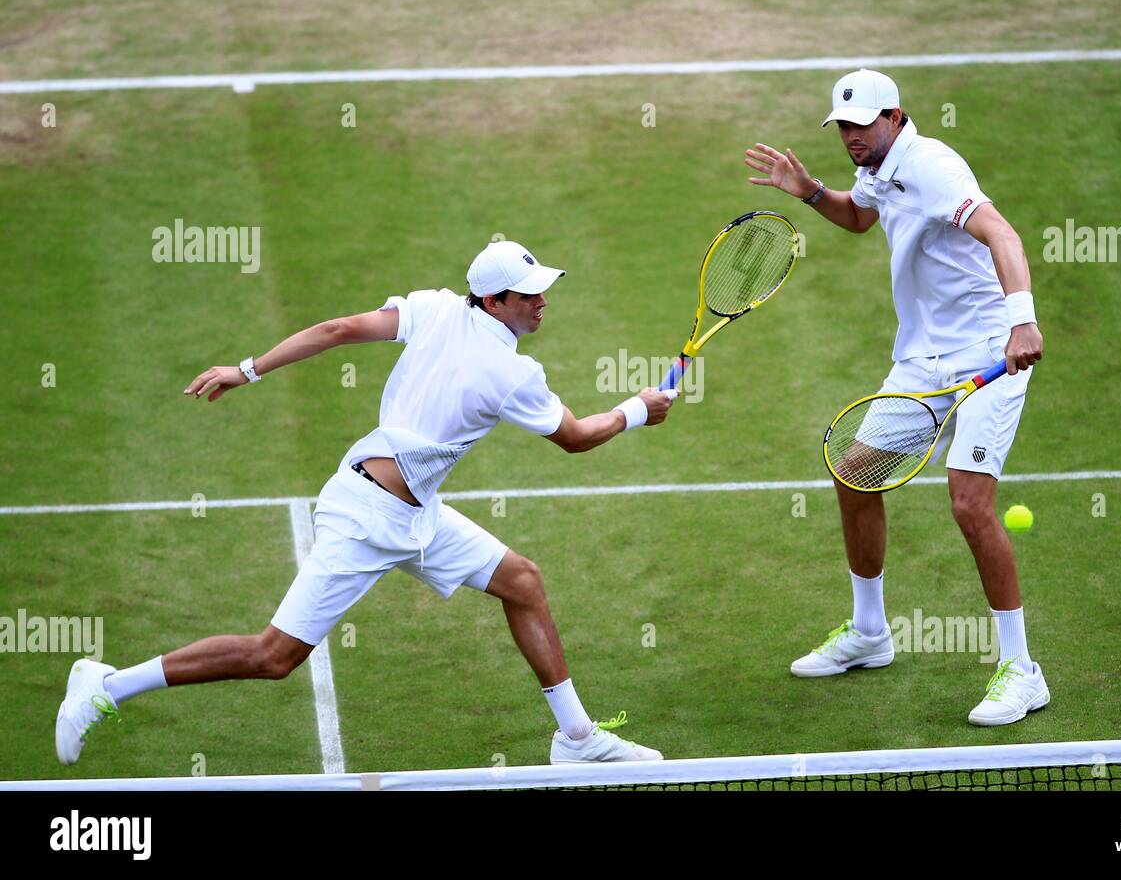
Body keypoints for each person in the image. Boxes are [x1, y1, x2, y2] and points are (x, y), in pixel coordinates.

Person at [55, 240, 674, 765]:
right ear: (493, 301)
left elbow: (337, 330)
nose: (542, 302)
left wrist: (248, 369)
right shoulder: (512, 376)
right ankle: (106, 684)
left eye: (542, 290)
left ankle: (577, 739)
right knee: (273, 657)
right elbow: (575, 438)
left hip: (415, 514)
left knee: (523, 582)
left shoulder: (433, 308)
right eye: (528, 294)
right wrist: (636, 411)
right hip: (364, 520)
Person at [744, 69, 1048, 725]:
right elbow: (860, 216)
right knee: (855, 476)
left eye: (862, 125)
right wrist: (812, 193)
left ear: (896, 117)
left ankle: (1022, 671)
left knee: (969, 502)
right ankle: (870, 634)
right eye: (843, 127)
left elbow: (1003, 234)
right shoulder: (878, 168)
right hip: (922, 360)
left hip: (992, 351)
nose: (851, 137)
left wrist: (1022, 320)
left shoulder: (933, 166)